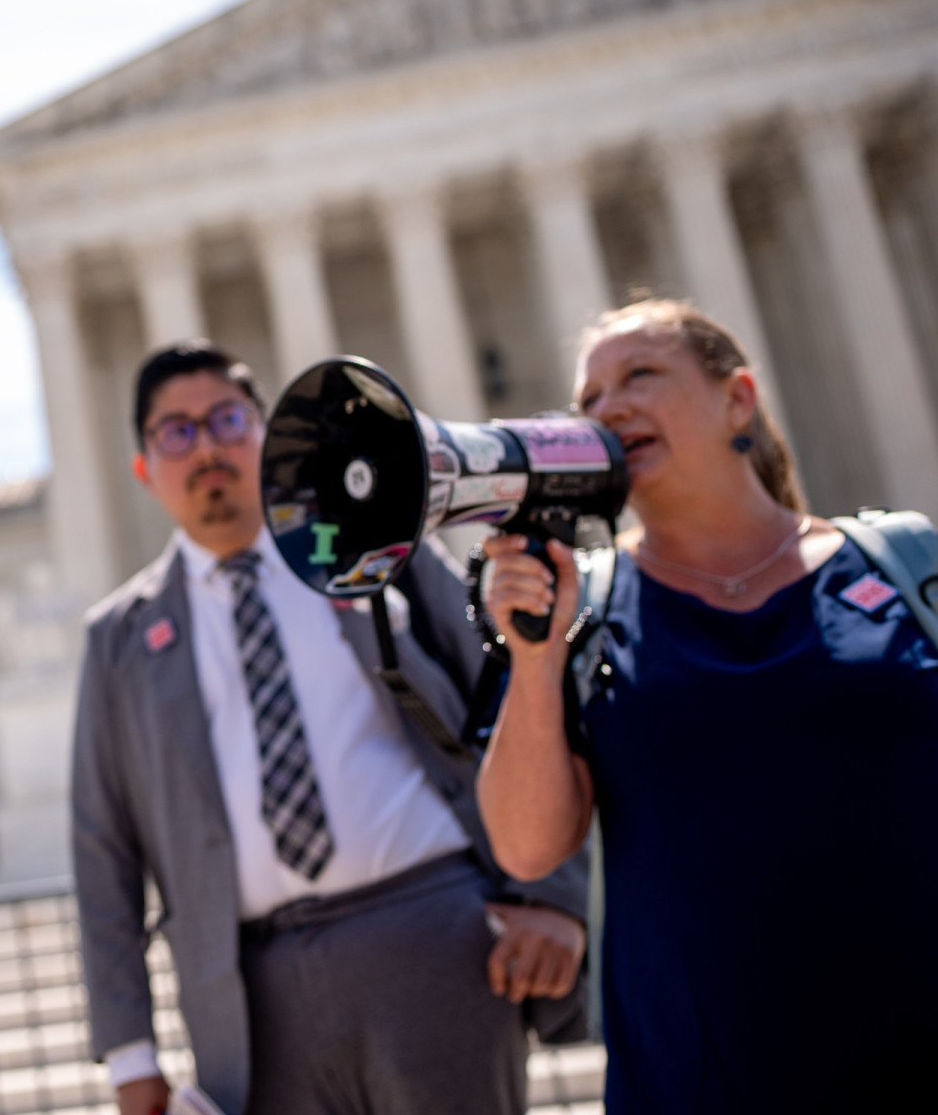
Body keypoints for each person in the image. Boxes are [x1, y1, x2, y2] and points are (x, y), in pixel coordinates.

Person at [71, 341, 590, 1115]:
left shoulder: (369, 547)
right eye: (175, 431)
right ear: (145, 467)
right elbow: (103, 850)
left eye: (226, 419)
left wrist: (551, 894)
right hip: (251, 996)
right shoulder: (120, 638)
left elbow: (512, 688)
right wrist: (129, 1057)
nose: (206, 445)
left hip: (434, 937)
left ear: (267, 433)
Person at [475, 298, 938, 1112]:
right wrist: (536, 660)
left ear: (739, 398)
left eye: (641, 375)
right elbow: (525, 847)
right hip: (707, 1079)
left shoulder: (905, 564)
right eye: (589, 402)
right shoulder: (587, 613)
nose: (609, 408)